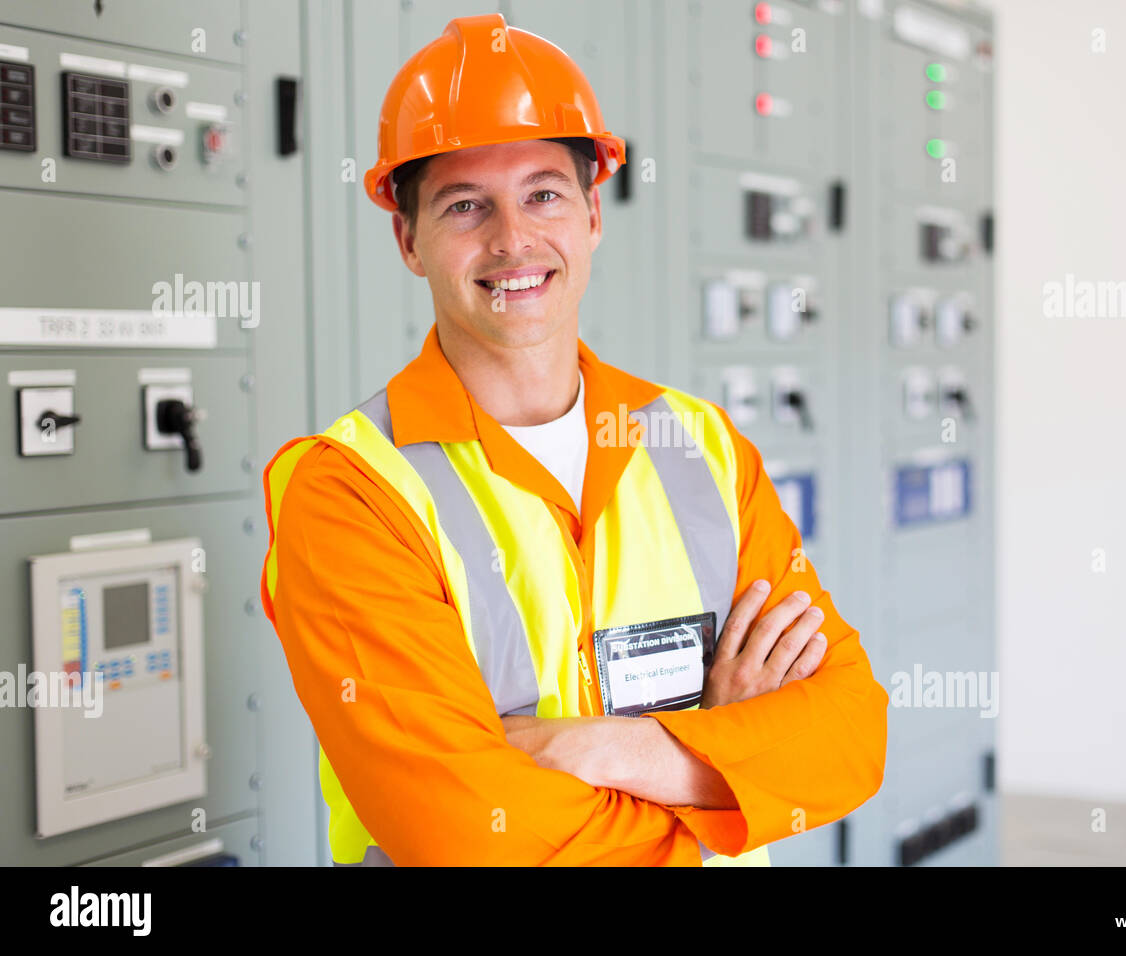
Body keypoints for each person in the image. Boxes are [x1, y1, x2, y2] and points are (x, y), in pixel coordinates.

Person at [259, 12, 888, 866]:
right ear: (409, 239)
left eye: (544, 193)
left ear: (593, 212)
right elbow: (465, 837)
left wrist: (618, 750)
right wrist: (726, 758)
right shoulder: (349, 491)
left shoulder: (699, 445)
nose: (513, 238)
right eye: (465, 205)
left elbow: (853, 736)